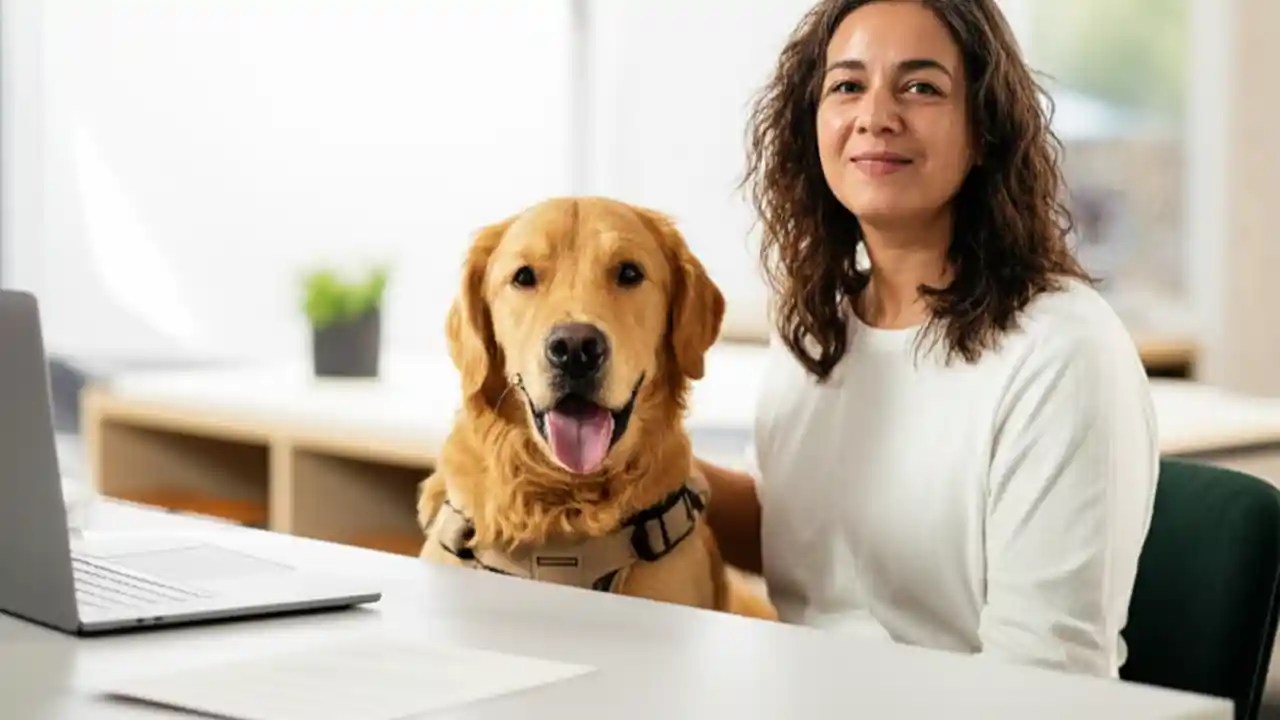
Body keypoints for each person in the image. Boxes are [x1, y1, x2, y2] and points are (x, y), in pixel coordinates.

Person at [698, 0, 1158, 678]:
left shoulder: (1063, 348)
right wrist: (641, 467)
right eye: (848, 85)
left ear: (983, 130)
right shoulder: (817, 324)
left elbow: (1043, 677)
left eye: (921, 87)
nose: (875, 116)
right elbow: (797, 537)